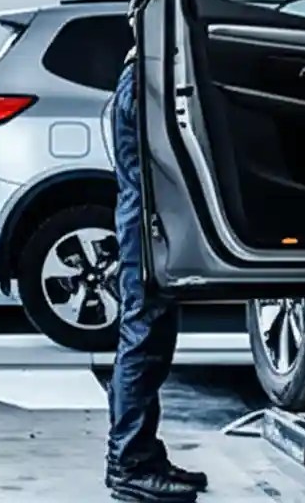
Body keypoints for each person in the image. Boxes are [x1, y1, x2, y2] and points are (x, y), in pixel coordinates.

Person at [105, 42, 208, 502]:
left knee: (151, 335)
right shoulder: (144, 86)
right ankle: (130, 464)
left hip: (146, 225)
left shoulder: (139, 82)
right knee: (144, 335)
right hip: (147, 229)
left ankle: (141, 455)